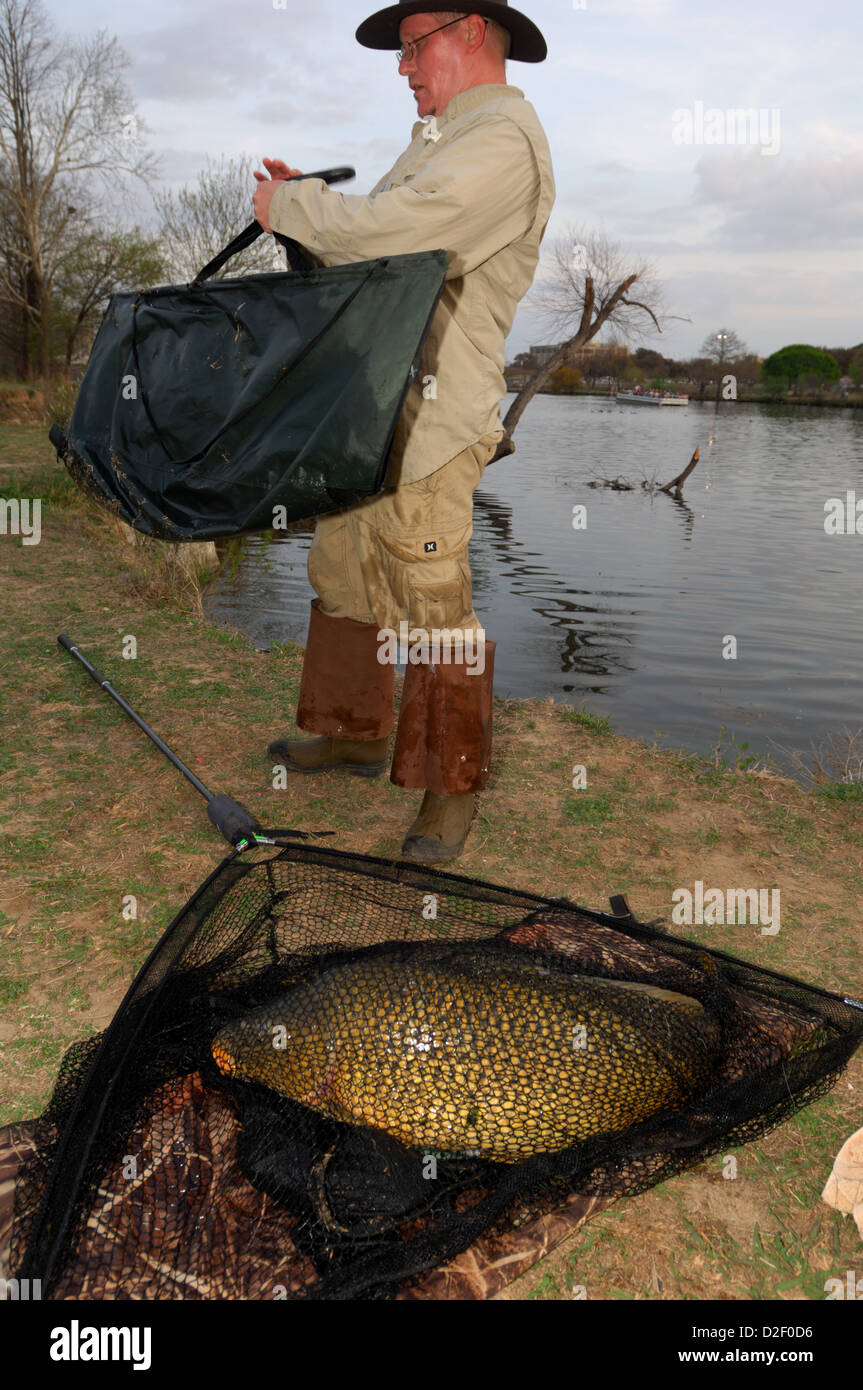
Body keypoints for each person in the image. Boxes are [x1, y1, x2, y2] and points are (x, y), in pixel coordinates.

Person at [253, 4, 555, 863]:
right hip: (370, 409)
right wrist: (306, 210)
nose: (401, 67)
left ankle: (448, 791)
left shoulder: (501, 141)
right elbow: (368, 264)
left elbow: (401, 234)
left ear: (467, 31)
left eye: (411, 45)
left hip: (433, 420)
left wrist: (299, 206)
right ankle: (350, 734)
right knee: (342, 568)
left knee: (431, 603)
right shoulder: (440, 138)